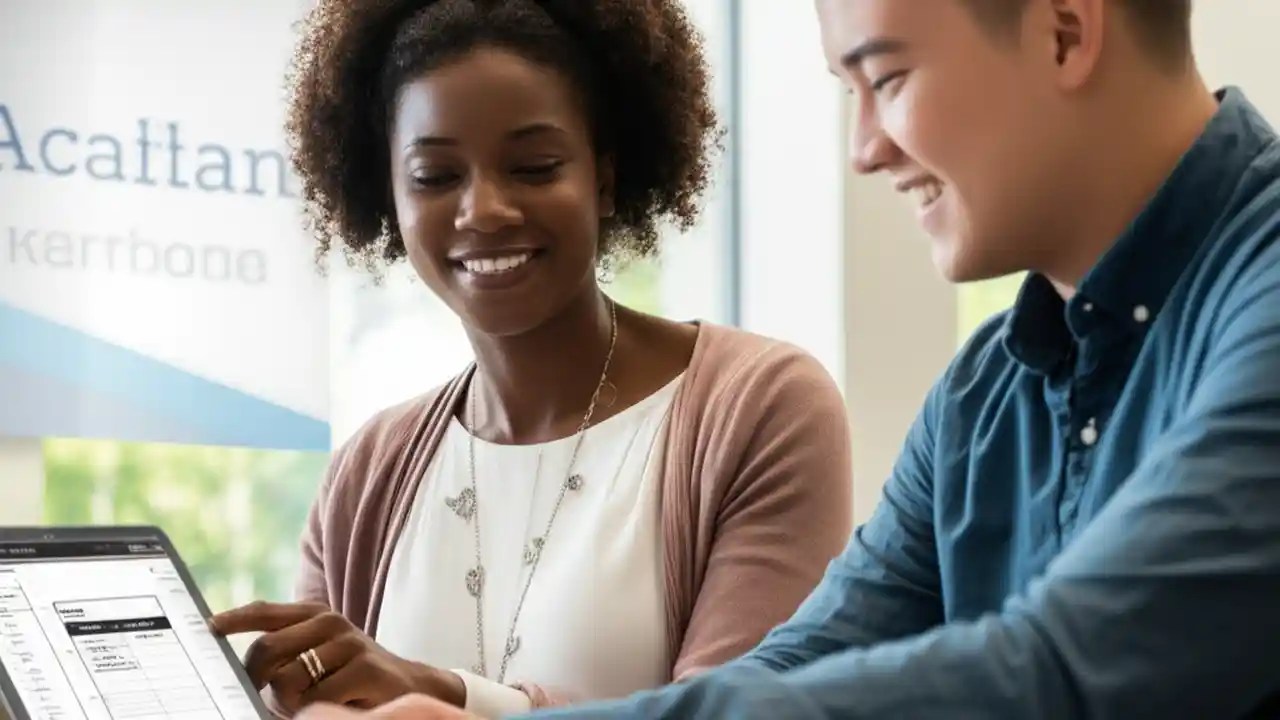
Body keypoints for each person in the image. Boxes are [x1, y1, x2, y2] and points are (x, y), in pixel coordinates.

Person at [294, 0, 1280, 717]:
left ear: (1064, 29)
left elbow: (1070, 669)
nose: (863, 148)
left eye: (885, 79)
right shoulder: (983, 396)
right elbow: (794, 667)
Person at [206, 0, 855, 718]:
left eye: (534, 167)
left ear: (605, 180)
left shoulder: (758, 406)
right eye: (434, 176)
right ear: (387, 196)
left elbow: (734, 713)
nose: (482, 209)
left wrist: (448, 696)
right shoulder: (367, 474)